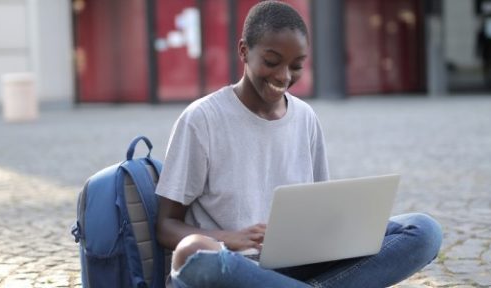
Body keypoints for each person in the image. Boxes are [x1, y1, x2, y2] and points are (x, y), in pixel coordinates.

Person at [155, 2, 442, 287]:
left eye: (296, 66)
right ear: (243, 51)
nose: (283, 76)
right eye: (271, 62)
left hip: (294, 266)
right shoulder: (201, 119)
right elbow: (166, 226)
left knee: (423, 230)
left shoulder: (305, 117)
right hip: (232, 266)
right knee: (194, 253)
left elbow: (319, 212)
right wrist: (230, 238)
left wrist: (342, 230)